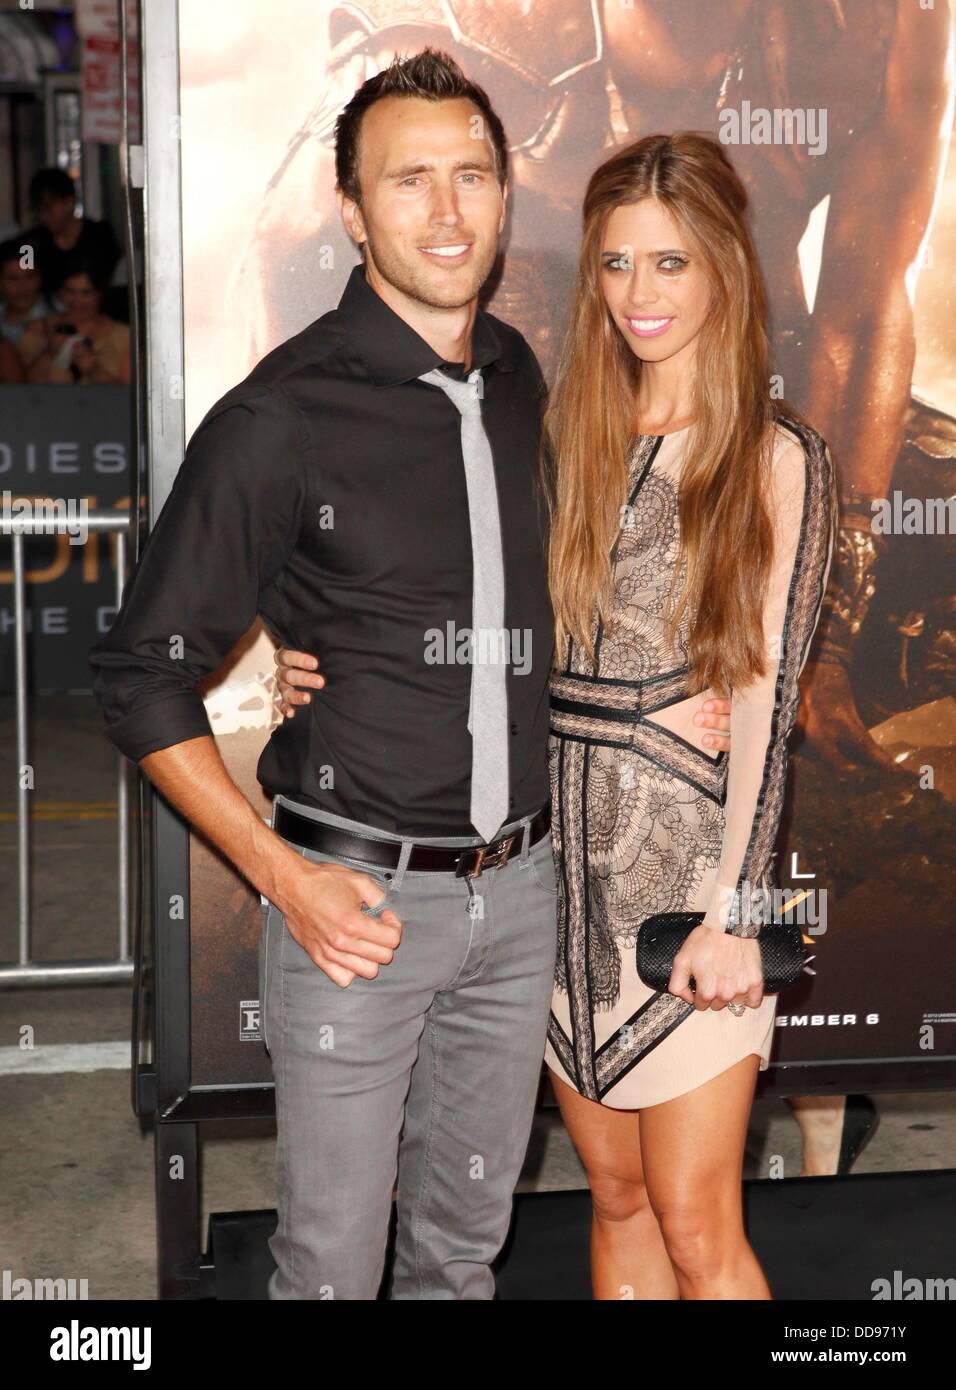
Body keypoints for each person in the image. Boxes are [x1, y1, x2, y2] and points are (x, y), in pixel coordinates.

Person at [88, 48, 732, 1301]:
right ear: (350, 209)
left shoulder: (522, 381)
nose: (446, 211)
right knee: (329, 1269)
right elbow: (140, 675)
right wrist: (282, 876)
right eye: (408, 180)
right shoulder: (280, 415)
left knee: (460, 1257)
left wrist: (666, 701)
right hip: (359, 913)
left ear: (503, 194)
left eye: (471, 176)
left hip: (523, 896)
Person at [277, 127, 837, 1299]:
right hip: (551, 900)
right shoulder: (562, 432)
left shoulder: (772, 458)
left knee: (696, 1225)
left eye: (672, 263)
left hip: (691, 900)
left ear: (725, 268)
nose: (640, 294)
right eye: (618, 263)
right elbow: (443, 578)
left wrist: (736, 916)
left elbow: (766, 704)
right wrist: (312, 650)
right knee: (618, 1199)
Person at [20, 259, 130, 385]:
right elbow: (21, 388)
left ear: (100, 293)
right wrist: (49, 353)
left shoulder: (124, 336)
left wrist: (93, 370)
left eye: (87, 293)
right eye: (69, 291)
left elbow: (129, 394)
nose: (77, 301)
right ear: (60, 291)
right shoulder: (37, 330)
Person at [24, 167, 122, 308]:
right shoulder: (30, 244)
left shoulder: (100, 235)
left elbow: (106, 279)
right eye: (38, 210)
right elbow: (22, 274)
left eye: (49, 209)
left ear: (69, 202)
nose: (43, 216)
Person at [0, 238, 51, 350]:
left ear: (40, 278)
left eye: (29, 277)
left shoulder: (56, 316)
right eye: (13, 278)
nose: (22, 287)